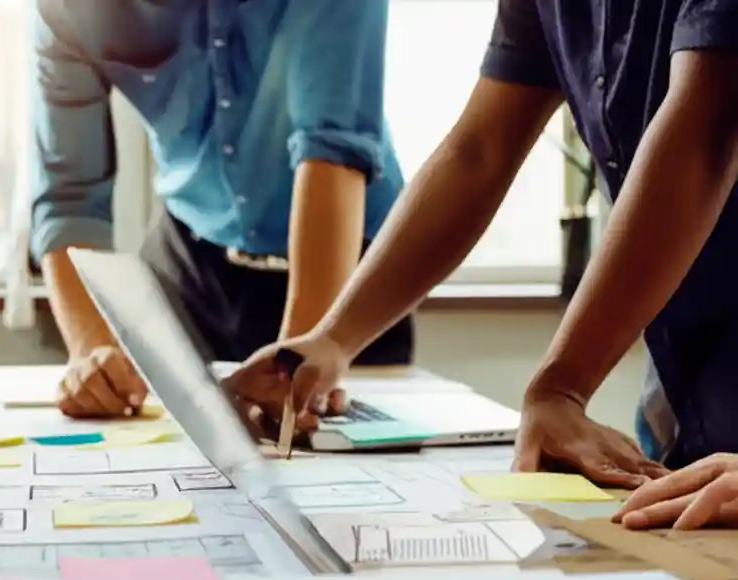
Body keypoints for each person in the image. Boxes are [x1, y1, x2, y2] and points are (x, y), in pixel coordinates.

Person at [227, 0, 738, 527]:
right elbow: (479, 151)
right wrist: (334, 338)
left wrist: (561, 385)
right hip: (696, 390)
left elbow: (704, 134)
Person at [30, 0, 413, 419]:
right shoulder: (67, 8)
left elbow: (332, 147)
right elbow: (69, 196)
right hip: (191, 261)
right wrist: (92, 348)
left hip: (342, 268)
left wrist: (297, 368)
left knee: (337, 466)